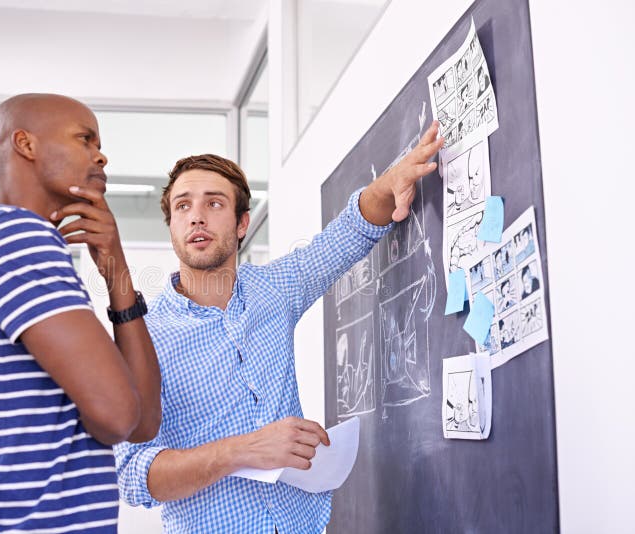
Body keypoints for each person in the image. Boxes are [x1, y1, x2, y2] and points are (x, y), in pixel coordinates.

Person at [114, 123, 443, 532]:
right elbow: (132, 475)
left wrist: (391, 181)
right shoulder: (143, 337)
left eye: (213, 203)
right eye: (182, 206)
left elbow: (349, 233)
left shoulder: (274, 290)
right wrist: (245, 450)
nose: (196, 216)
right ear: (172, 227)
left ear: (241, 224)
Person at [0, 93, 161, 532]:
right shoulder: (13, 238)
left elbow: (143, 425)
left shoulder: (1, 239)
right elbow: (118, 415)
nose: (101, 155)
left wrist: (116, 271)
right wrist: (112, 410)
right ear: (26, 144)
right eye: (84, 139)